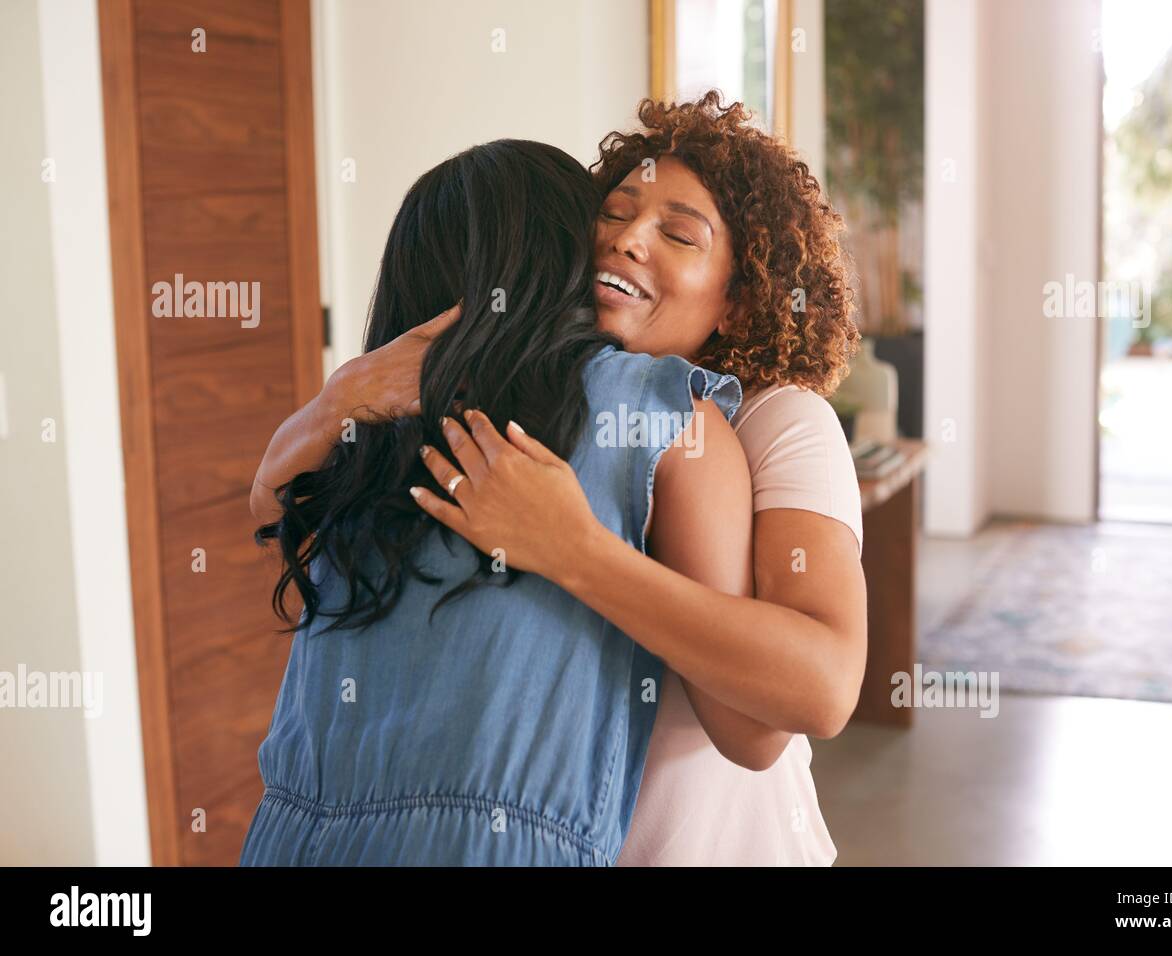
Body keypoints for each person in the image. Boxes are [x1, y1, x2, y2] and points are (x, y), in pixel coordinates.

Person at [251, 92, 869, 866]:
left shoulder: (775, 422)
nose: (628, 242)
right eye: (612, 213)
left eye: (679, 233)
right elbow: (271, 501)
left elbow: (809, 696)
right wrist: (337, 399)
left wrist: (573, 548)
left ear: (740, 301)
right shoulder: (505, 414)